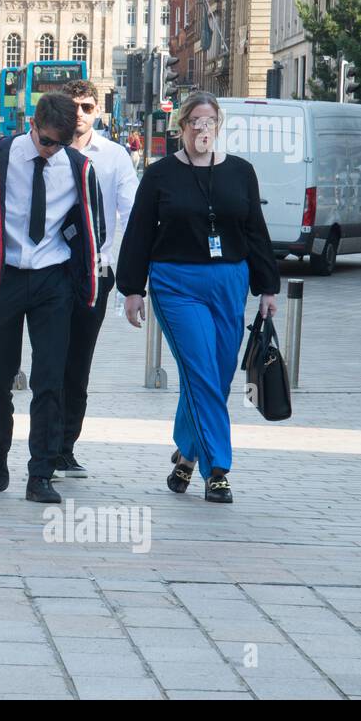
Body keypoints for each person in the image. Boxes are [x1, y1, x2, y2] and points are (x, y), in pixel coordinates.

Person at [116, 92, 280, 504]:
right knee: (201, 372)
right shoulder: (160, 175)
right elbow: (139, 230)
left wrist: (267, 287)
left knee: (218, 376)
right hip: (177, 283)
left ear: (219, 126)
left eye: (209, 122)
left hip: (230, 280)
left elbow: (255, 230)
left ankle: (187, 453)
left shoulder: (241, 172)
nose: (202, 129)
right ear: (182, 127)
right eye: (195, 122)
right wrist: (132, 288)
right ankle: (217, 469)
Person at [0, 93, 105, 504]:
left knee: (50, 378)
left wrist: (75, 282)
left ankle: (41, 473)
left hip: (52, 282)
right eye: (47, 141)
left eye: (61, 143)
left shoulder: (78, 167)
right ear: (31, 126)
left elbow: (94, 225)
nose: (52, 151)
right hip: (1, 280)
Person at [54, 80, 139, 479]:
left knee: (78, 363)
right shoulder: (44, 149)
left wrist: (113, 262)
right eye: (72, 107)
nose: (80, 115)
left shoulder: (115, 157)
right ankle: (45, 446)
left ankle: (65, 445)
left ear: (97, 110)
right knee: (50, 359)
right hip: (48, 271)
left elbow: (132, 213)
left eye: (87, 107)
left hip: (94, 273)